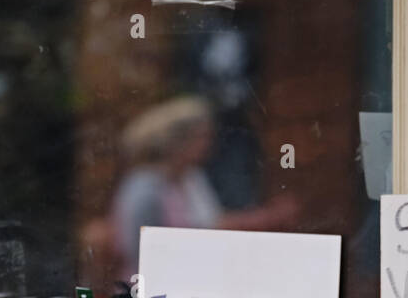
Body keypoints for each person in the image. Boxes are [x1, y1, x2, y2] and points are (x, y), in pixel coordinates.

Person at [110, 96, 298, 281]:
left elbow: (209, 226)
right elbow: (142, 250)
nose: (209, 144)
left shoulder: (192, 179)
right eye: (203, 136)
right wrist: (266, 218)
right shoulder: (143, 187)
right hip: (151, 288)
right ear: (178, 141)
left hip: (190, 284)